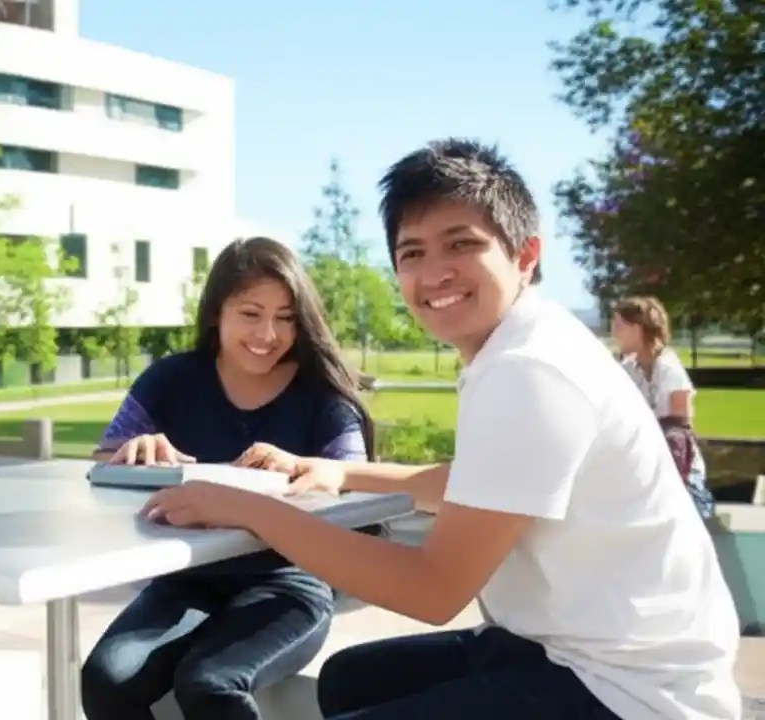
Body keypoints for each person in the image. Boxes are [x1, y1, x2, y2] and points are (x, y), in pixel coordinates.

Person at [143, 140, 742, 719]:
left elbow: (433, 591)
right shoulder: (522, 342)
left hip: (629, 691)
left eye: (461, 244)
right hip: (575, 648)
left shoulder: (528, 370)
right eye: (412, 253)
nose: (434, 274)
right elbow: (475, 482)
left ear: (525, 254)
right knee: (351, 679)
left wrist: (251, 509)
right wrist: (338, 470)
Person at [80, 236, 375, 720]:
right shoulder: (172, 379)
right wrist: (130, 454)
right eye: (251, 313)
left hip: (289, 583)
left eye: (285, 317)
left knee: (210, 683)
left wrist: (304, 475)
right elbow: (103, 464)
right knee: (107, 679)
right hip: (186, 577)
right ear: (218, 312)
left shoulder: (323, 397)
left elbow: (353, 487)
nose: (269, 333)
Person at [611, 295, 716, 518]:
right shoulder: (627, 368)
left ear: (637, 328)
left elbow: (680, 429)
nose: (614, 333)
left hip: (679, 471)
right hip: (645, 468)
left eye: (619, 325)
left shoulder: (668, 366)